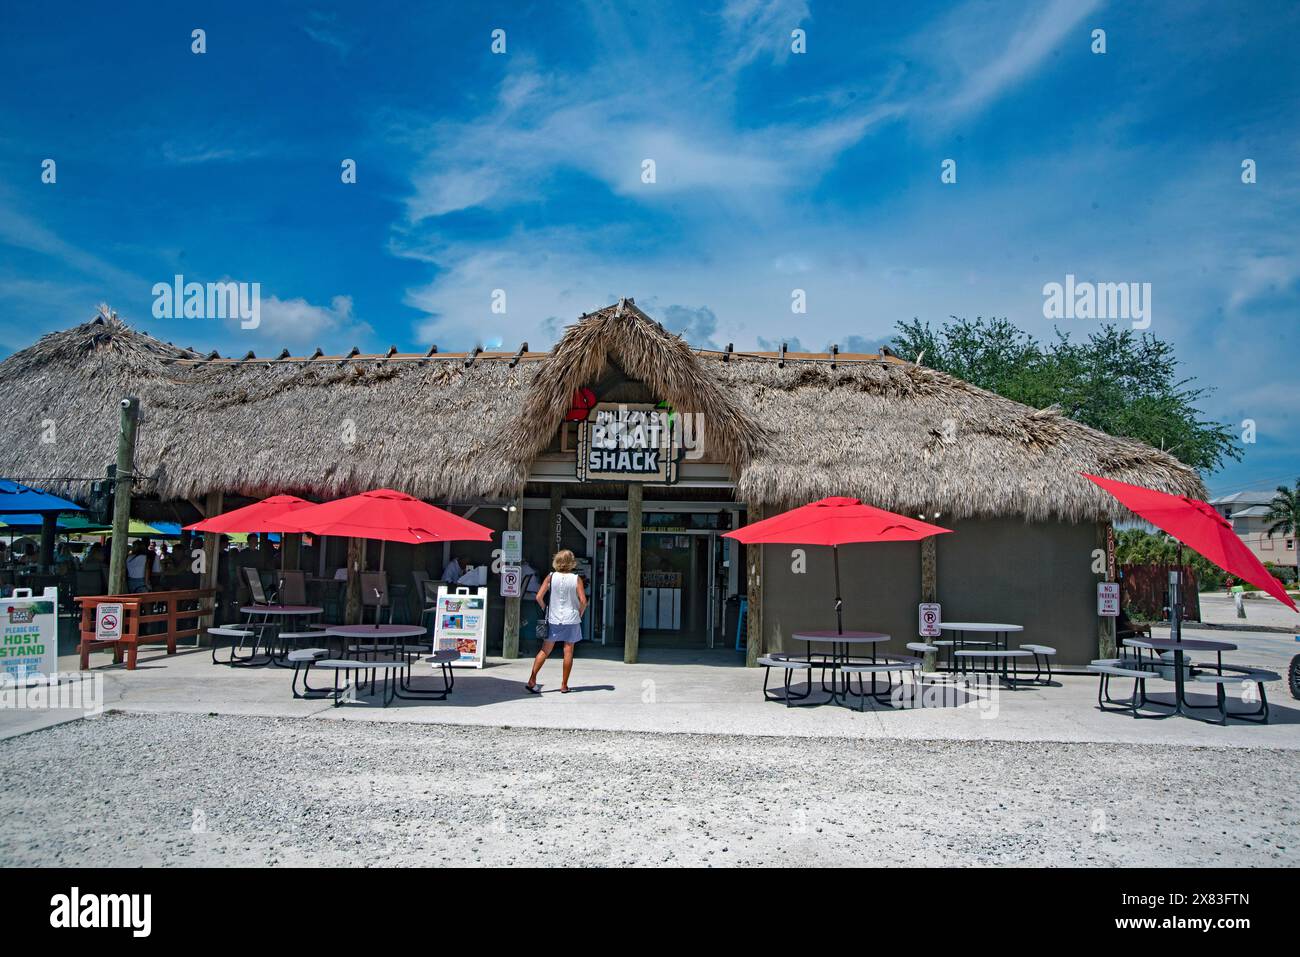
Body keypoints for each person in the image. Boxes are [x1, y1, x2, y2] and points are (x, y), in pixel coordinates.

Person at [526, 549, 588, 694]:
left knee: (545, 650)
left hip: (553, 618)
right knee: (568, 651)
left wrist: (545, 609)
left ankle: (532, 679)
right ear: (572, 562)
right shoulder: (576, 578)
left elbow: (539, 597)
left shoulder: (551, 577)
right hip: (571, 619)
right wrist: (579, 613)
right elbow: (583, 601)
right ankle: (564, 685)